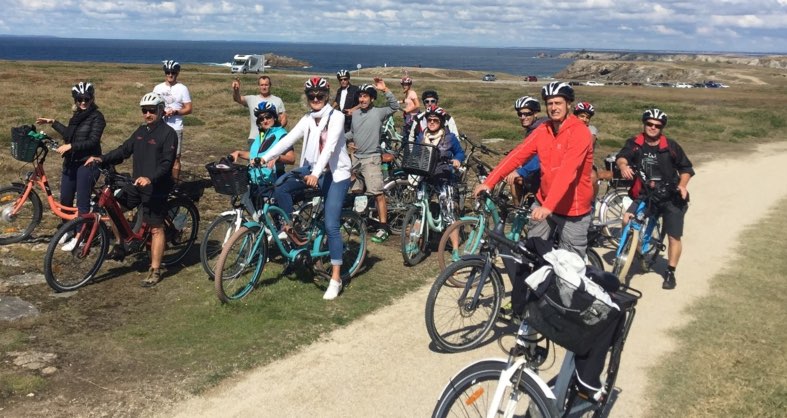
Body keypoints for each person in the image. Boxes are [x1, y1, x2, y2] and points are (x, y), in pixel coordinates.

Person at [474, 81, 593, 319]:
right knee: (532, 255)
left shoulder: (580, 132)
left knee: (571, 267)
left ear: (568, 104)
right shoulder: (544, 130)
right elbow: (518, 155)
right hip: (545, 202)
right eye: (550, 103)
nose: (554, 107)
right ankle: (529, 305)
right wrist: (490, 180)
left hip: (573, 209)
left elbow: (568, 172)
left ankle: (571, 313)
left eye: (558, 103)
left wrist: (549, 207)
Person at [257, 77, 352, 301]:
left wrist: (316, 173)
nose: (316, 99)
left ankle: (335, 279)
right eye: (312, 96)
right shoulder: (308, 118)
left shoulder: (336, 117)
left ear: (327, 96)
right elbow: (288, 139)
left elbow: (329, 148)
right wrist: (264, 157)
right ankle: (291, 231)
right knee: (281, 187)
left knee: (331, 225)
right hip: (311, 170)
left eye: (320, 95)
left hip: (335, 175)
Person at [84, 92, 177, 288]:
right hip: (136, 184)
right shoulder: (141, 131)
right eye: (144, 111)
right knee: (114, 207)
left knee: (156, 228)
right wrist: (101, 158)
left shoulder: (168, 134)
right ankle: (121, 244)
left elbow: (167, 163)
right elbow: (124, 150)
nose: (148, 114)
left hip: (156, 187)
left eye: (152, 110)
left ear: (160, 110)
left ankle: (155, 270)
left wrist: (150, 178)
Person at [615, 108, 694, 289]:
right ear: (644, 124)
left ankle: (670, 272)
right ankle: (627, 256)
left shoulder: (670, 146)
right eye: (649, 124)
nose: (652, 128)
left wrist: (682, 185)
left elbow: (686, 169)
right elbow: (622, 157)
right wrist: (623, 166)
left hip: (671, 196)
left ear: (662, 128)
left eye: (657, 126)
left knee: (674, 236)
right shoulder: (635, 143)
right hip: (646, 195)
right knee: (627, 219)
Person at [36, 81, 105, 251]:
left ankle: (81, 237)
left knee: (82, 202)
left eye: (86, 98)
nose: (83, 102)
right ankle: (68, 229)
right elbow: (69, 134)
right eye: (79, 99)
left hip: (87, 163)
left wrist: (71, 146)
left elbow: (93, 141)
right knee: (65, 199)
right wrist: (53, 122)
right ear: (75, 99)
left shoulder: (97, 117)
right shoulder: (76, 117)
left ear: (92, 98)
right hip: (71, 162)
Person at [345, 79, 400, 243]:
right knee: (356, 191)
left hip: (372, 157)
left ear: (372, 98)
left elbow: (395, 106)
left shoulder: (379, 112)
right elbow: (352, 133)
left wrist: (385, 89)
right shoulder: (355, 114)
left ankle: (383, 228)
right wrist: (340, 139)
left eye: (365, 96)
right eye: (360, 96)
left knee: (377, 193)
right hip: (356, 158)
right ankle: (359, 220)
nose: (362, 99)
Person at [413, 106, 466, 260]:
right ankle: (413, 241)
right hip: (425, 176)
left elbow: (460, 152)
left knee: (449, 213)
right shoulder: (421, 137)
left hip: (443, 176)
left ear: (442, 122)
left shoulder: (450, 138)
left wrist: (457, 160)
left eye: (436, 120)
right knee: (418, 209)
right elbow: (416, 153)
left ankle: (455, 249)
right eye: (429, 120)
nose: (432, 122)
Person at [228, 102, 295, 215]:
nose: (265, 121)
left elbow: (291, 158)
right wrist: (238, 153)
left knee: (277, 218)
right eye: (261, 119)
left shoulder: (281, 135)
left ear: (274, 117)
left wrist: (277, 158)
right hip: (256, 181)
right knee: (259, 216)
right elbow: (255, 156)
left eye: (268, 117)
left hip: (272, 181)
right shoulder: (261, 136)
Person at [153, 60, 192, 180]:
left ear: (177, 73)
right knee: (157, 155)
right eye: (167, 72)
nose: (170, 75)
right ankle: (158, 180)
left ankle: (174, 184)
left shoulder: (182, 88)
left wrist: (176, 112)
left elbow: (189, 108)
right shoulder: (158, 88)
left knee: (176, 157)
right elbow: (152, 106)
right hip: (160, 126)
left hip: (176, 128)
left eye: (173, 72)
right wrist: (161, 113)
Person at [505, 96, 546, 205]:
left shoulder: (542, 129)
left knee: (515, 179)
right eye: (520, 114)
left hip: (544, 174)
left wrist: (521, 171)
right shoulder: (532, 128)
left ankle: (519, 210)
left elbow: (542, 156)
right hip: (536, 171)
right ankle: (519, 209)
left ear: (535, 113)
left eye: (527, 114)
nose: (523, 117)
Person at [573, 101, 613, 201]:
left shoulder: (591, 129)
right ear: (575, 116)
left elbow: (589, 143)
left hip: (586, 162)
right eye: (582, 116)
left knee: (592, 178)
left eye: (587, 118)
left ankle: (591, 203)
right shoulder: (568, 128)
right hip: (569, 161)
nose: (585, 119)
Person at [232, 75, 288, 144]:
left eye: (266, 85)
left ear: (270, 85)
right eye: (261, 85)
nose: (264, 87)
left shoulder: (278, 100)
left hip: (272, 139)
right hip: (254, 139)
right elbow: (237, 99)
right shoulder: (251, 99)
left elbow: (284, 118)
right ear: (259, 86)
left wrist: (276, 131)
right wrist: (236, 90)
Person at [399, 76, 420, 140]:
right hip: (408, 117)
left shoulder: (412, 93)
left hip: (413, 118)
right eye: (403, 84)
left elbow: (417, 105)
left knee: (411, 135)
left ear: (409, 85)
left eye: (406, 85)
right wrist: (397, 102)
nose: (404, 86)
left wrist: (408, 110)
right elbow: (406, 100)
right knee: (406, 133)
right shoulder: (407, 93)